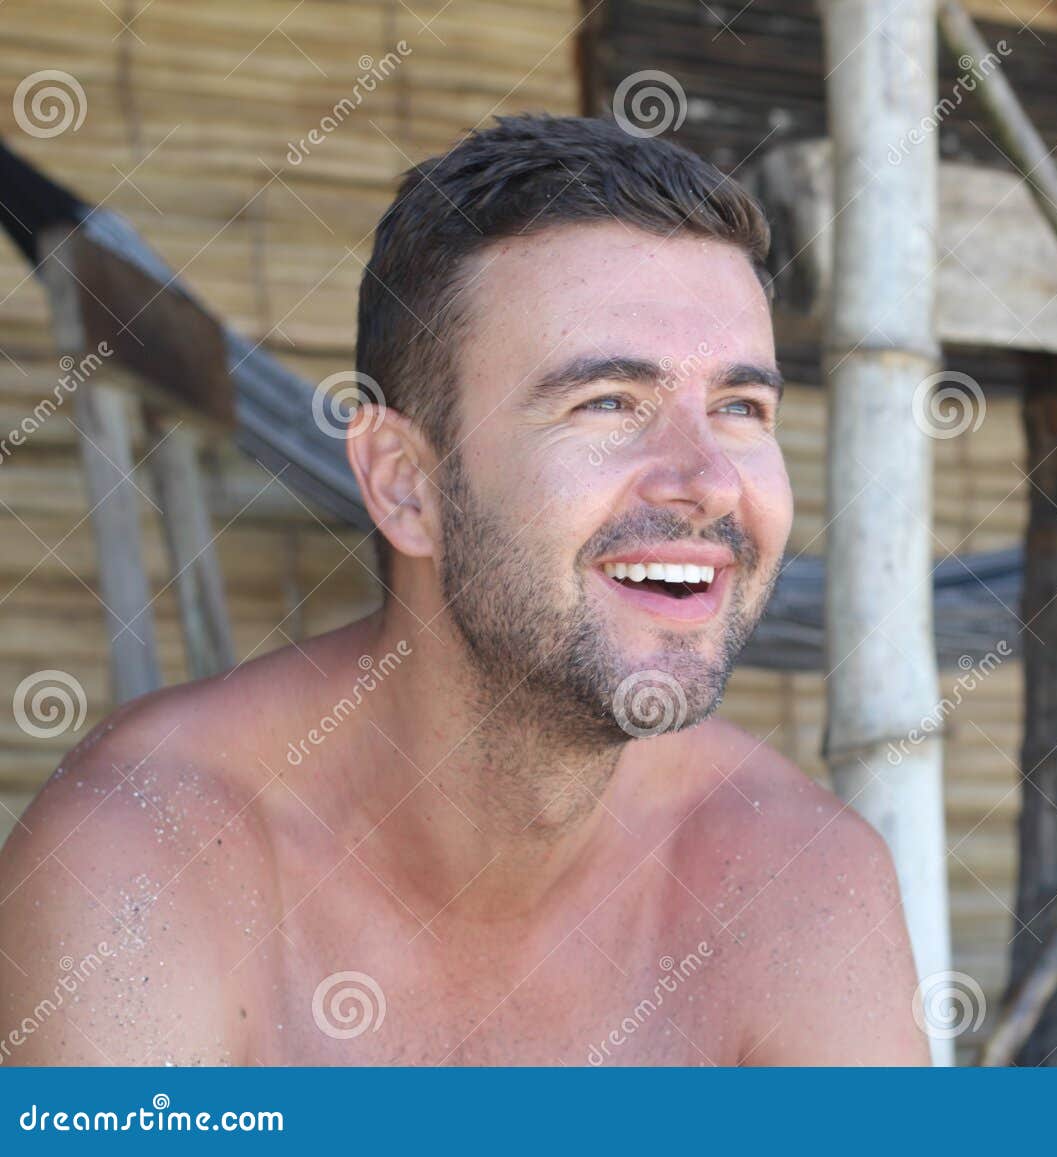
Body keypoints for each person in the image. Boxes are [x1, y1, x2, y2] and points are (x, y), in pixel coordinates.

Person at [0, 115, 928, 1066]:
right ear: (406, 481)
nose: (707, 481)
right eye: (607, 401)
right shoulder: (146, 867)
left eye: (740, 408)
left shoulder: (801, 879)